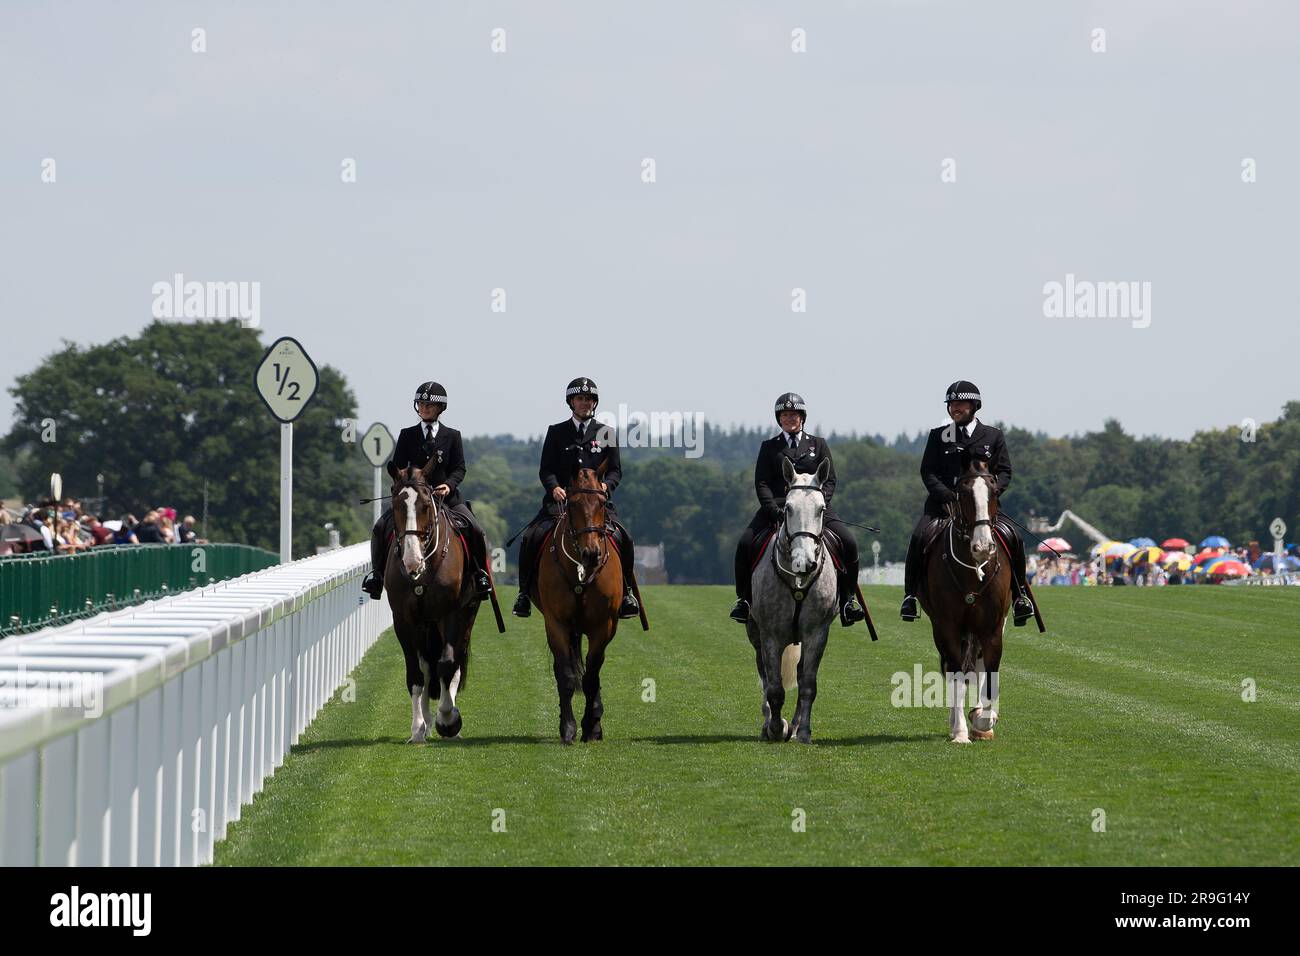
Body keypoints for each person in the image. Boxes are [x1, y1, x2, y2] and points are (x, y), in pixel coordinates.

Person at [899, 381, 1035, 626]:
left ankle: (1020, 597)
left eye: (959, 403)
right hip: (943, 507)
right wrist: (948, 496)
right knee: (919, 537)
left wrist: (991, 493)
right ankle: (910, 596)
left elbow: (1004, 471)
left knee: (1014, 538)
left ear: (974, 406)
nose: (954, 408)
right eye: (951, 404)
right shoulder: (939, 436)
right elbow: (928, 472)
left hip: (984, 508)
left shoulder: (993, 435)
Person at [729, 392, 865, 627]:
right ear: (779, 419)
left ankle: (847, 602)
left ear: (802, 418)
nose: (790, 418)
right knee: (744, 544)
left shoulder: (818, 444)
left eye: (794, 414)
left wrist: (820, 504)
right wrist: (772, 509)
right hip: (779, 507)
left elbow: (830, 479)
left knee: (849, 542)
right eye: (785, 415)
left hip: (814, 508)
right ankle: (744, 601)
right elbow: (761, 482)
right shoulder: (769, 447)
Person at [512, 377, 640, 620]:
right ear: (571, 402)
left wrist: (606, 486)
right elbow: (546, 469)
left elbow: (615, 470)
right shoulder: (557, 432)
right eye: (580, 399)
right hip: (560, 502)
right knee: (531, 536)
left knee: (625, 538)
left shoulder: (606, 433)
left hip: (596, 504)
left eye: (589, 399)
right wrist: (554, 488)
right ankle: (524, 594)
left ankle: (627, 594)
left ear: (595, 403)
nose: (585, 403)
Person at [361, 381, 492, 601]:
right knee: (380, 526)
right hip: (414, 499)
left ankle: (480, 575)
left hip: (446, 498)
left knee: (475, 529)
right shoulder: (407, 435)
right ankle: (377, 576)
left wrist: (448, 484)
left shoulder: (452, 436)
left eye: (429, 405)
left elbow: (459, 468)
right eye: (420, 404)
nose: (424, 408)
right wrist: (406, 482)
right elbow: (398, 467)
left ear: (440, 408)